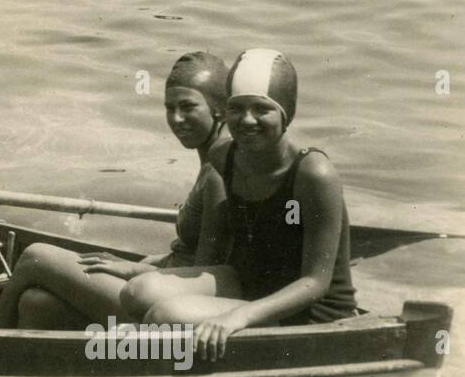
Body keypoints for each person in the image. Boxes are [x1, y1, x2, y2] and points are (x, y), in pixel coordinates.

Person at [120, 49, 358, 360]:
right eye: (237, 108)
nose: (247, 120)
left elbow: (315, 283)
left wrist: (237, 318)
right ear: (224, 111)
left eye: (262, 109)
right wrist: (151, 265)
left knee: (166, 315)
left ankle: (141, 363)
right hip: (249, 284)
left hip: (310, 310)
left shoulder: (313, 173)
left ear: (286, 114)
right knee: (137, 292)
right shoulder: (224, 157)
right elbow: (221, 233)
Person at [0, 52, 229, 330]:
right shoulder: (213, 160)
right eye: (169, 107)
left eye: (187, 107)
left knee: (35, 256)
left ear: (218, 108)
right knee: (36, 304)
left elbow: (204, 274)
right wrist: (136, 262)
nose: (176, 118)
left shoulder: (218, 174)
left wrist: (133, 268)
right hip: (164, 283)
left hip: (170, 309)